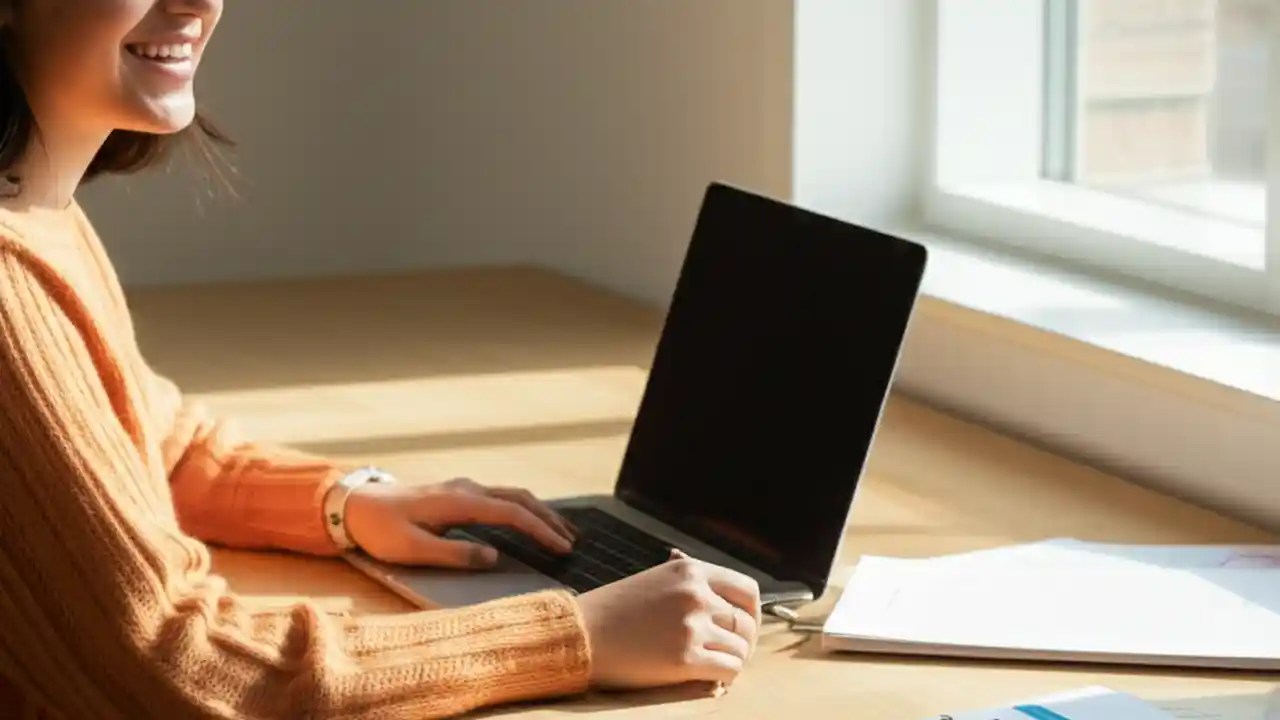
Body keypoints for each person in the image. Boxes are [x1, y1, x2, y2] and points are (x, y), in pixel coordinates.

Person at [0, 1, 762, 717]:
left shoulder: (37, 214)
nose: (199, 2)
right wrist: (576, 636)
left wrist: (347, 503)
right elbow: (174, 667)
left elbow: (152, 444)